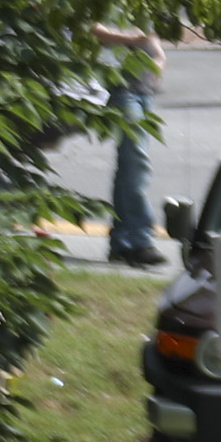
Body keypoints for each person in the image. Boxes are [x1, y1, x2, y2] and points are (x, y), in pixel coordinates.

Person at [94, 23, 166, 266]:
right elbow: (90, 27)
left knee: (130, 165)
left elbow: (154, 44)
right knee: (136, 161)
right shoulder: (107, 4)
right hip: (119, 88)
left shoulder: (140, 8)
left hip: (143, 89)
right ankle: (139, 239)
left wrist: (158, 63)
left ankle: (122, 242)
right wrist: (131, 40)